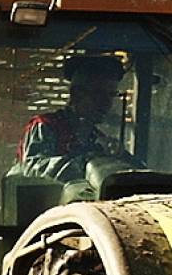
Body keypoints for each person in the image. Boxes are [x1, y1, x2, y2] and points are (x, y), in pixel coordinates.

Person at [18, 53, 132, 181]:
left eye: (111, 95)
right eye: (99, 94)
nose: (107, 103)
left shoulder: (97, 138)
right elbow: (32, 169)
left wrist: (121, 158)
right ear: (76, 94)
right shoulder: (45, 126)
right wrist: (88, 162)